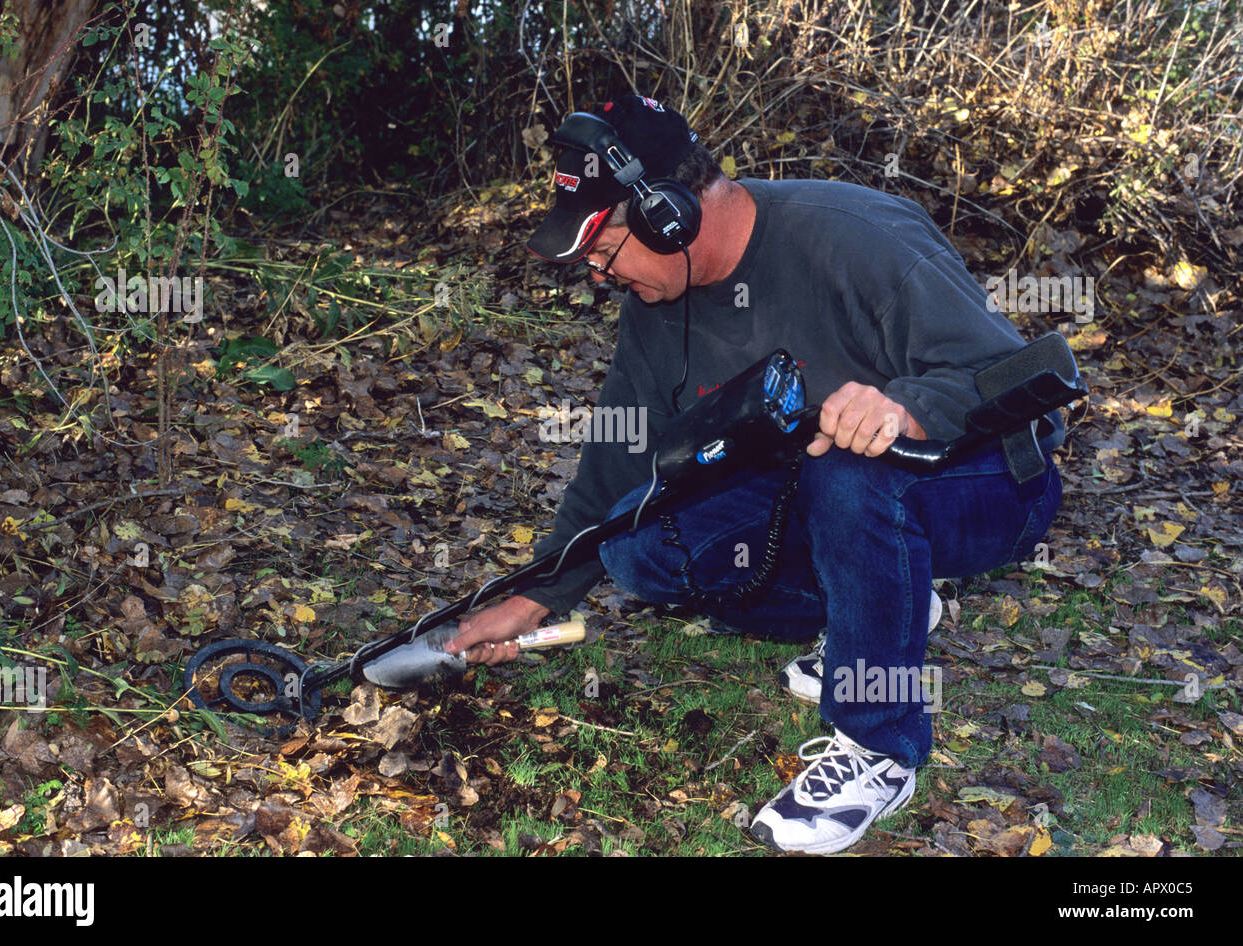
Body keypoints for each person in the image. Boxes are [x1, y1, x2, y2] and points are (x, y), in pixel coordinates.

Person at [445, 94, 1063, 854]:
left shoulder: (855, 237)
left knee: (849, 465)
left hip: (990, 482)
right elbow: (618, 456)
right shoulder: (657, 299)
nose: (599, 274)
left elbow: (1024, 378)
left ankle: (880, 747)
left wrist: (909, 407)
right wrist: (538, 592)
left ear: (666, 214)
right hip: (825, 489)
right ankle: (888, 603)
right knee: (641, 550)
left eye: (601, 248)